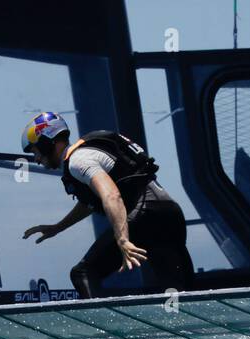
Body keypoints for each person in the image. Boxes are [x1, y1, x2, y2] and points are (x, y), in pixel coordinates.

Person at [19, 112, 192, 299]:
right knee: (176, 288)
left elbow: (111, 195)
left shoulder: (78, 161)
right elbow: (90, 203)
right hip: (169, 212)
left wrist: (123, 239)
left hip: (146, 213)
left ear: (47, 142)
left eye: (35, 151)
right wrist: (57, 228)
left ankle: (104, 326)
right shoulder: (86, 155)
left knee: (83, 273)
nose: (36, 158)